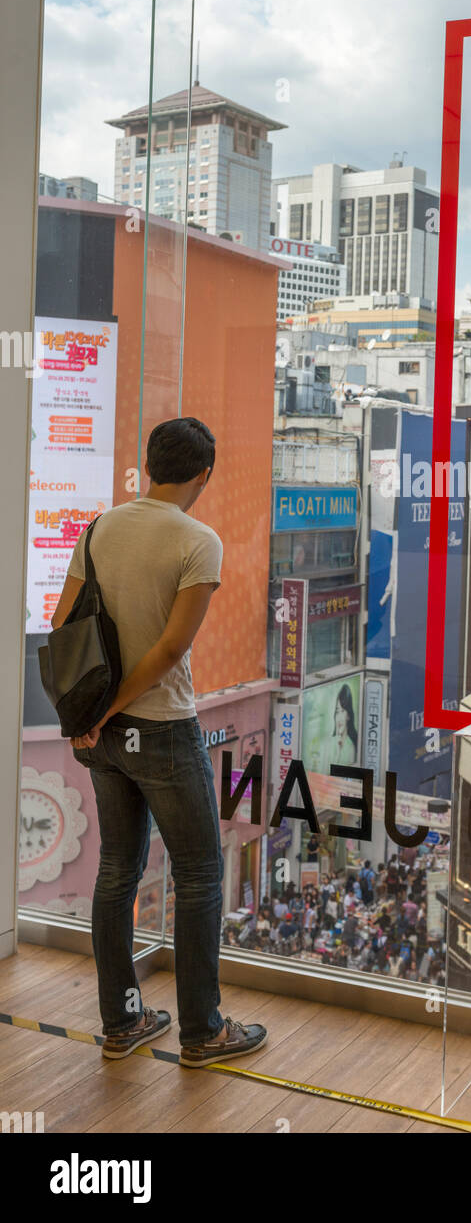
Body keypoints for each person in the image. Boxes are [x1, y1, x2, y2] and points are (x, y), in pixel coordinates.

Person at [53, 418, 267, 1066]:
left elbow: (63, 623)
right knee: (201, 872)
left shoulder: (99, 528)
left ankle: (121, 1023)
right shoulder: (197, 541)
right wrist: (120, 704)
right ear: (202, 476)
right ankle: (203, 1032)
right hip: (162, 731)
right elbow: (173, 647)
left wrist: (88, 715)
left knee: (117, 870)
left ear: (149, 465)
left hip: (99, 733)